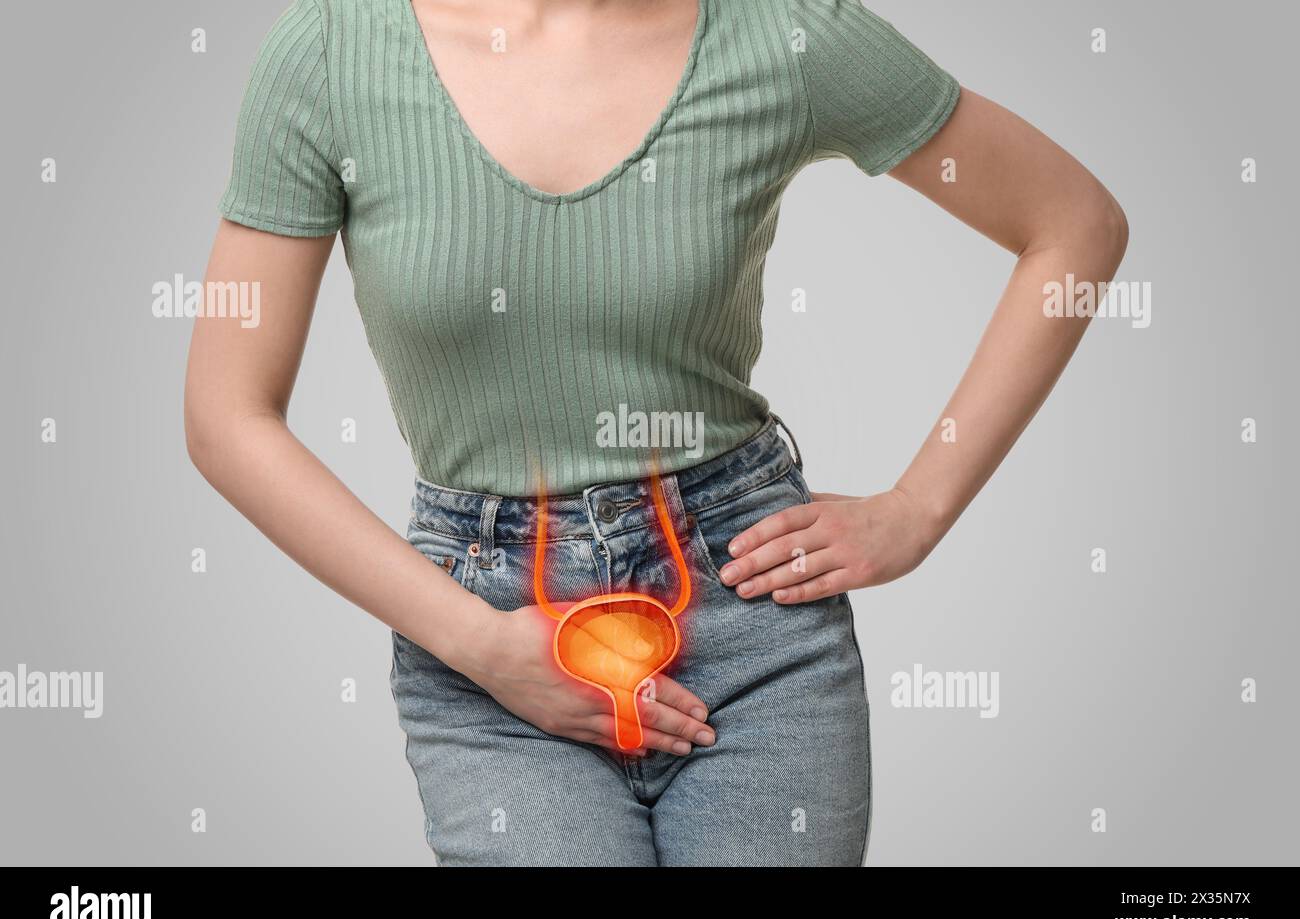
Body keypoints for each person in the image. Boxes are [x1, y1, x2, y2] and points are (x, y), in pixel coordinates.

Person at [186, 0, 1128, 865]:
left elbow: (1074, 226)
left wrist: (918, 509)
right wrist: (480, 646)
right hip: (491, 635)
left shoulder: (785, 35)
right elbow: (228, 418)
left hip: (749, 619)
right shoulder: (328, 54)